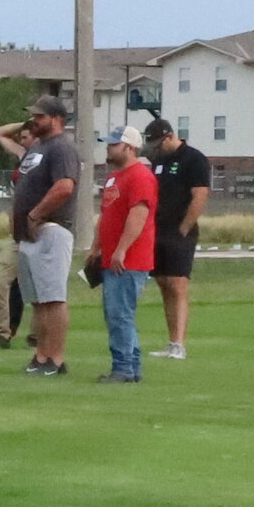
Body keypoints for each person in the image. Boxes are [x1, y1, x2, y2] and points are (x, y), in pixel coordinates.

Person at [9, 105, 80, 377]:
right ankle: (41, 356)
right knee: (38, 299)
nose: (35, 120)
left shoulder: (61, 148)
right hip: (30, 233)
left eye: (41, 116)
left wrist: (36, 213)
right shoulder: (37, 148)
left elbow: (64, 186)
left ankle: (56, 358)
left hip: (51, 228)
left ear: (57, 118)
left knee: (53, 297)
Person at [141, 111, 211, 360]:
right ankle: (171, 342)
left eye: (158, 144)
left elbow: (200, 195)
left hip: (180, 231)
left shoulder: (194, 159)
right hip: (157, 230)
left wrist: (184, 228)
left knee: (178, 284)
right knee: (163, 284)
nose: (155, 149)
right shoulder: (159, 160)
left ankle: (179, 344)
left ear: (169, 136)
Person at [92, 132, 157, 384]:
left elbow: (138, 215)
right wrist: (97, 246)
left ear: (130, 147)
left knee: (119, 313)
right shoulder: (113, 177)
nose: (108, 148)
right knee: (118, 313)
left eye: (114, 144)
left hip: (129, 259)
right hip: (112, 257)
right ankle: (132, 366)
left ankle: (123, 368)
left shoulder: (140, 176)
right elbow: (106, 214)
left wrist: (122, 249)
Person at [0, 118, 33, 351]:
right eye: (21, 137)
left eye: (26, 136)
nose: (21, 140)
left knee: (38, 287)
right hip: (17, 235)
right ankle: (1, 333)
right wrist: (27, 122)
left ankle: (38, 334)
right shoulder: (24, 156)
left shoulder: (50, 155)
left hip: (38, 232)